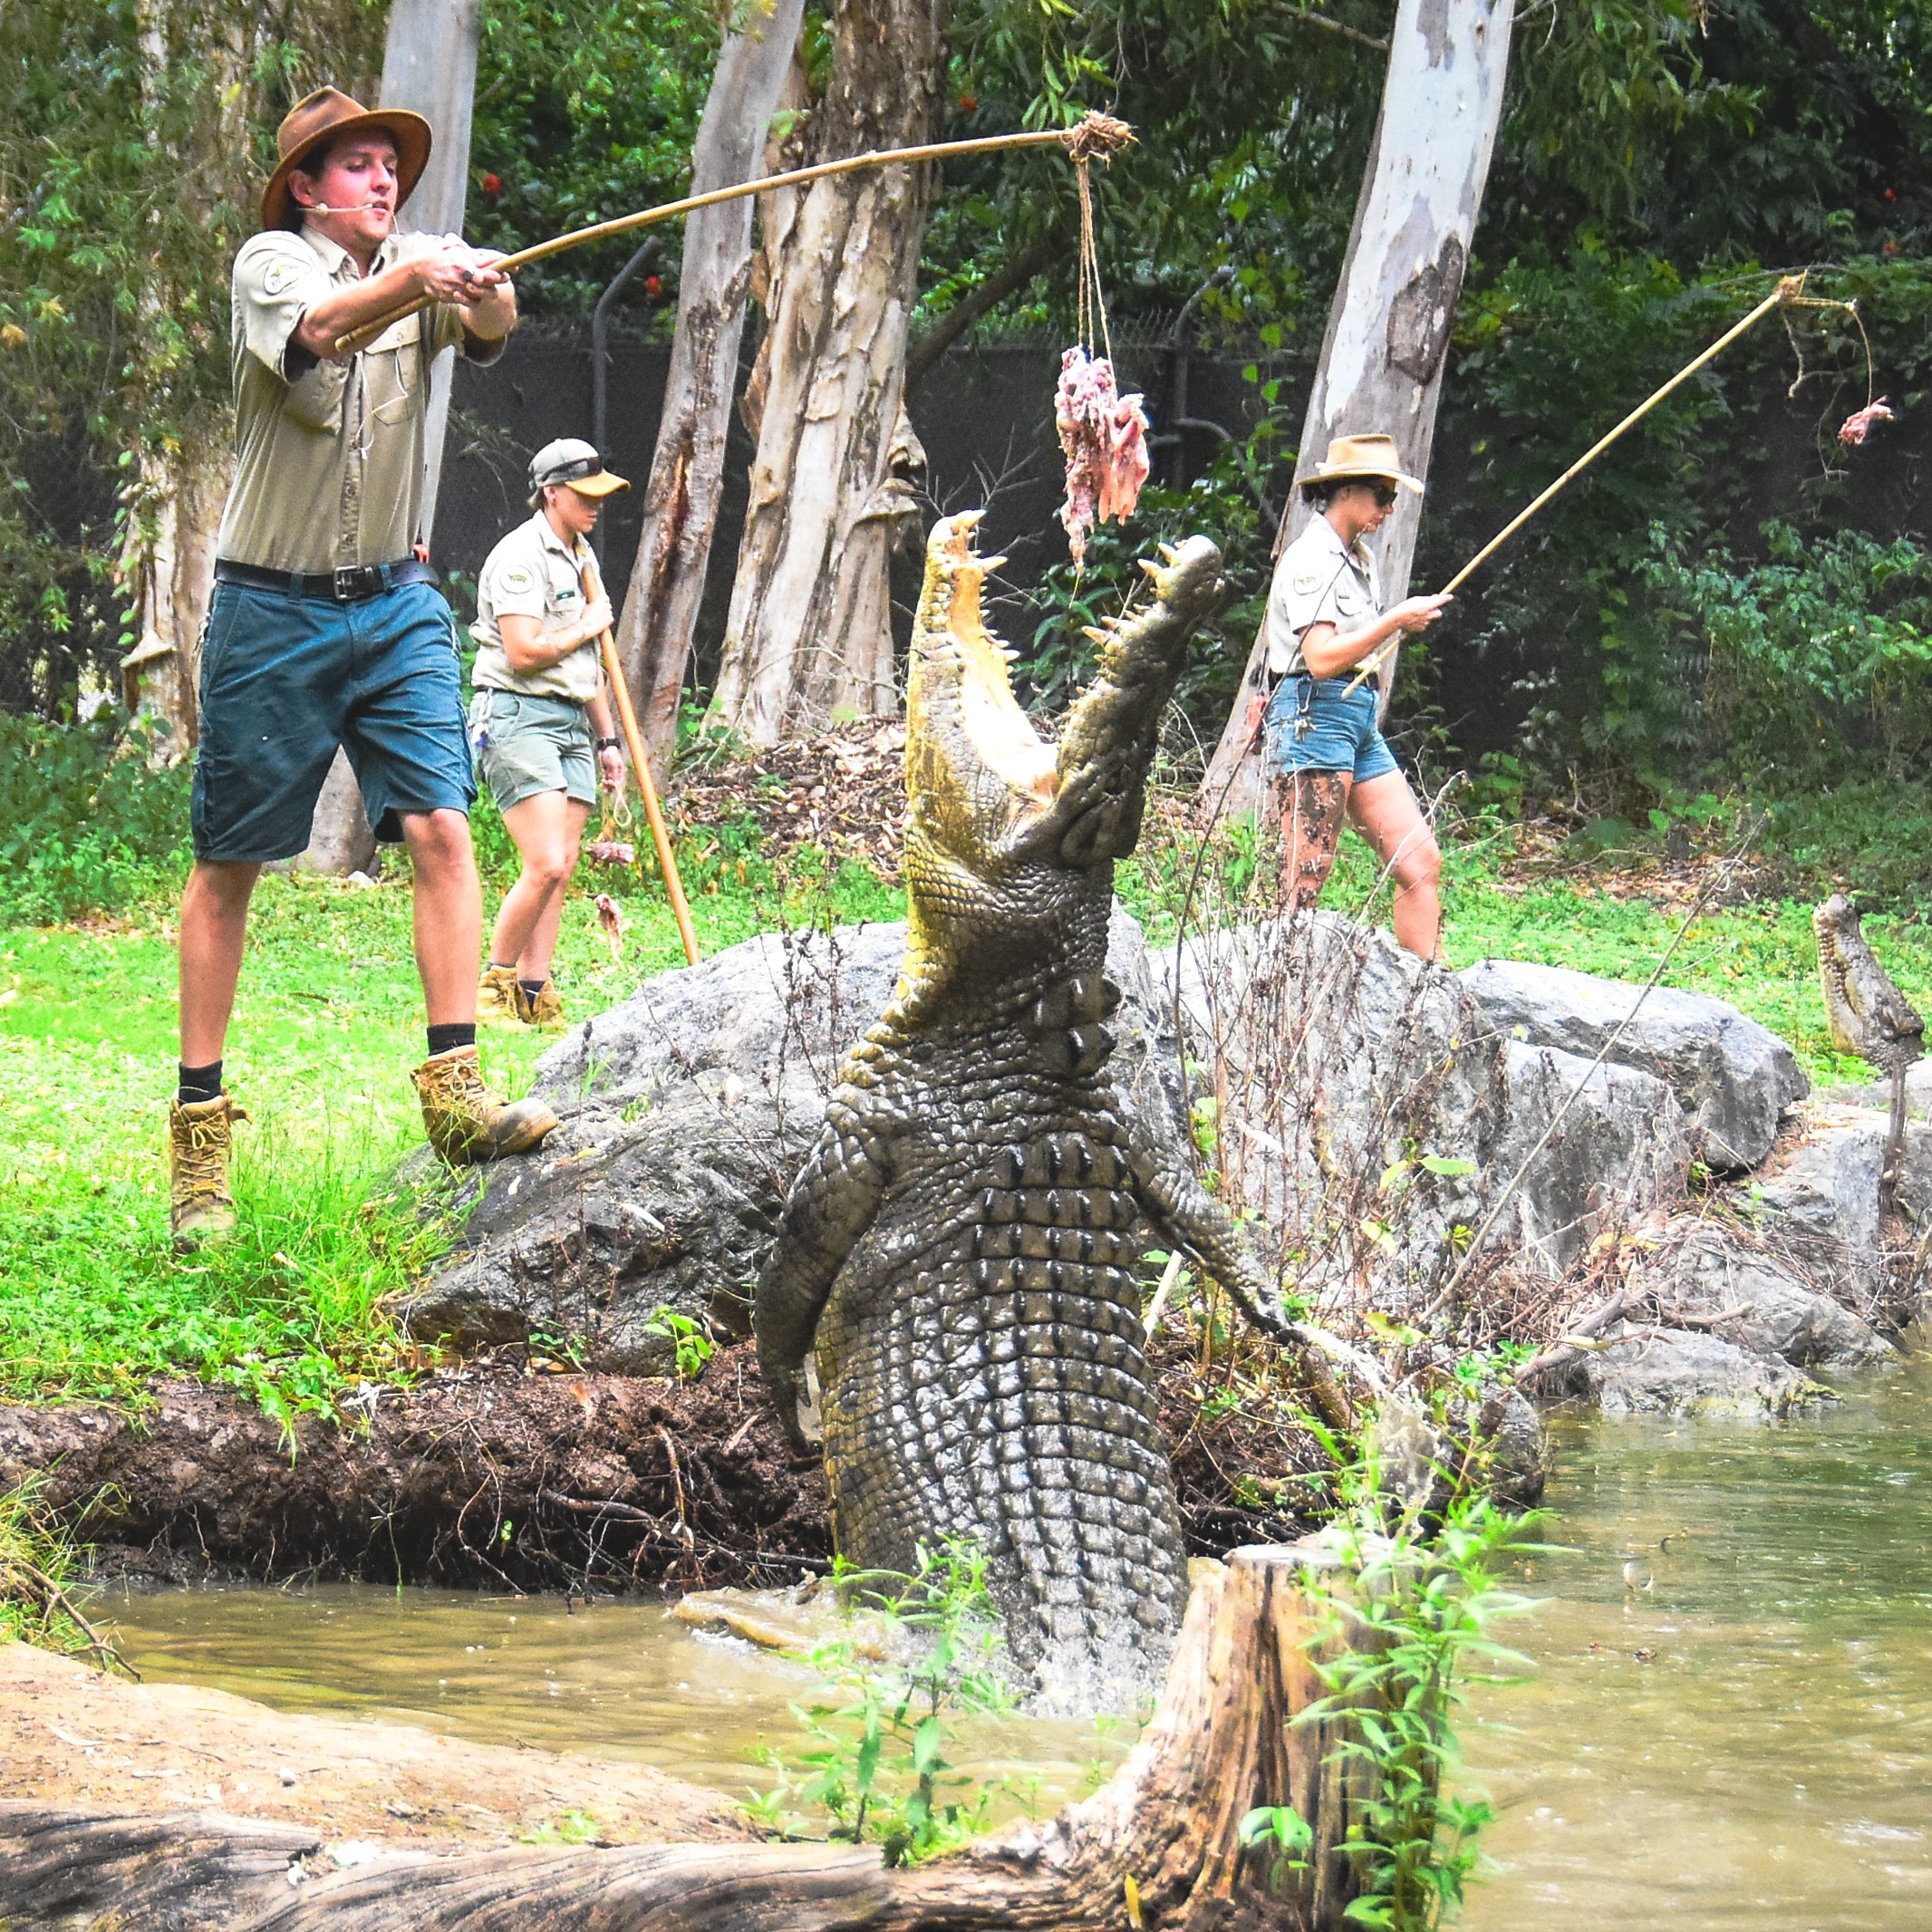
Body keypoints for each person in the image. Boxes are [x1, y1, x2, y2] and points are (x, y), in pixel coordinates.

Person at [169, 86, 560, 1243]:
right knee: (230, 862)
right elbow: (321, 329)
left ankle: (456, 1095)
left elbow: (491, 327)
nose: (383, 179)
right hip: (268, 609)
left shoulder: (419, 272)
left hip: (396, 605)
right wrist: (422, 277)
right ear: (305, 186)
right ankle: (199, 1141)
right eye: (357, 164)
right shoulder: (271, 264)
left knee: (441, 826)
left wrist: (481, 285)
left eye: (391, 164)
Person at [1255, 433, 1453, 961]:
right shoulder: (1310, 558)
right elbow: (1320, 658)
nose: (1389, 508)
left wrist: (1396, 624)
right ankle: (1275, 997)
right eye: (1382, 494)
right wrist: (1396, 619)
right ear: (1346, 491)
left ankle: (1429, 996)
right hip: (1314, 714)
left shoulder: (1358, 558)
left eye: (1392, 497)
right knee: (1303, 879)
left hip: (1358, 717)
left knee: (1419, 861)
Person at [469, 440, 631, 1029]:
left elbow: (588, 666)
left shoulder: (581, 556)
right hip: (519, 714)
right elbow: (523, 651)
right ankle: (494, 985)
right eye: (585, 495)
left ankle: (535, 992)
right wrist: (586, 624)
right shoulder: (520, 556)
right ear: (552, 493)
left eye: (601, 494)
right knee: (543, 862)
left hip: (571, 723)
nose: (596, 505)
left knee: (561, 865)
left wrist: (607, 741)